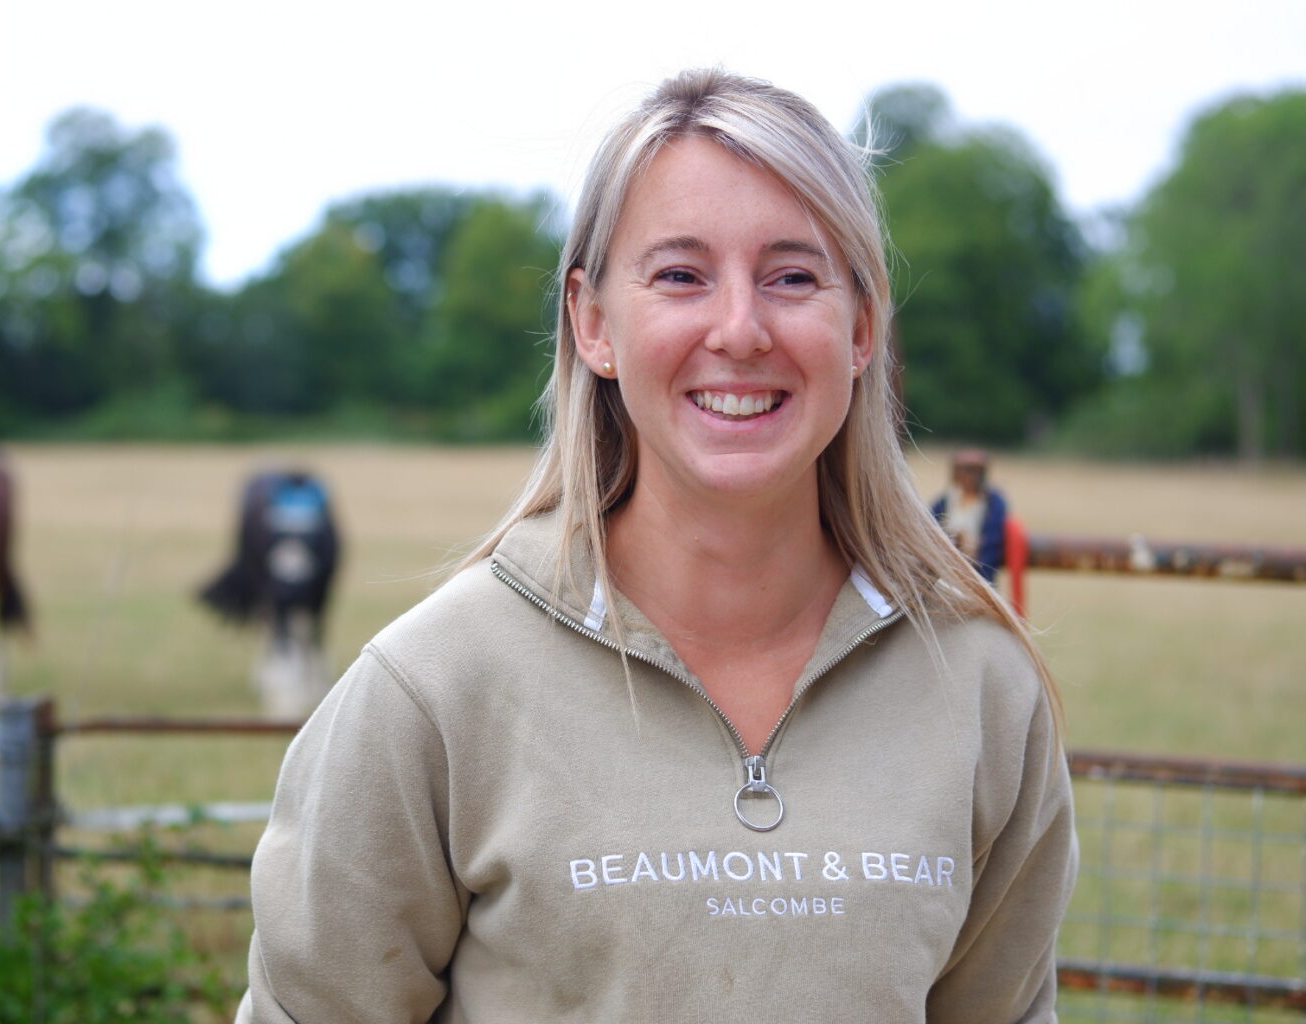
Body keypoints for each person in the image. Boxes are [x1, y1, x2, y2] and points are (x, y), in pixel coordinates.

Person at [239, 68, 1076, 1023]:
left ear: (864, 327)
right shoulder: (432, 690)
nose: (740, 329)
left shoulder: (980, 688)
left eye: (793, 276)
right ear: (593, 322)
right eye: (680, 274)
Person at [931, 448, 1009, 583]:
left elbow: (992, 541)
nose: (970, 477)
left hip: (976, 573)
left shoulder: (992, 503)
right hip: (944, 572)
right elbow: (930, 527)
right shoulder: (946, 500)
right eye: (965, 471)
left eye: (975, 472)